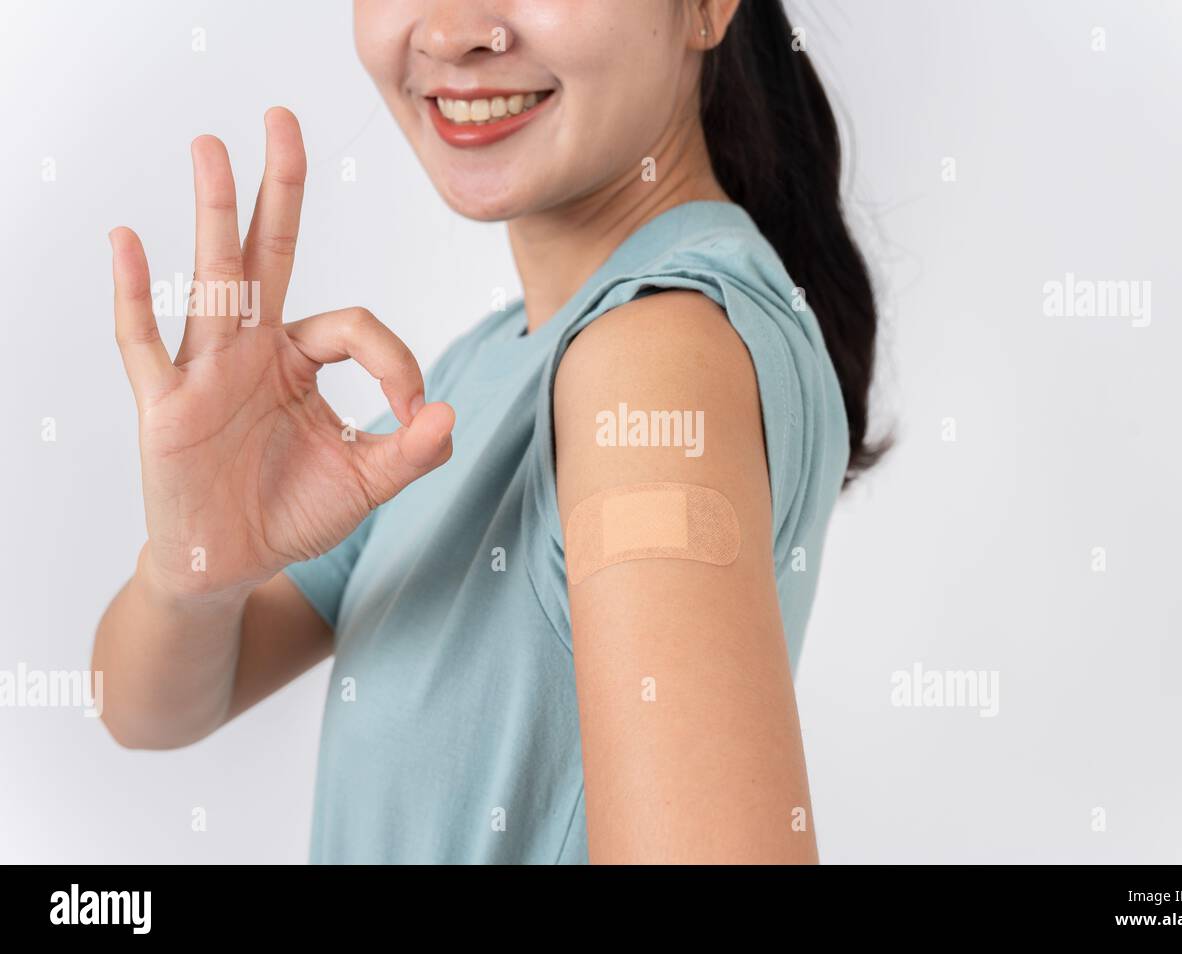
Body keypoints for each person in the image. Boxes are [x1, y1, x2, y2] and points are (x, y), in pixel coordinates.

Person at [92, 0, 884, 864]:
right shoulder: (486, 369)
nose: (449, 31)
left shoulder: (650, 362)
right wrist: (192, 573)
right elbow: (144, 707)